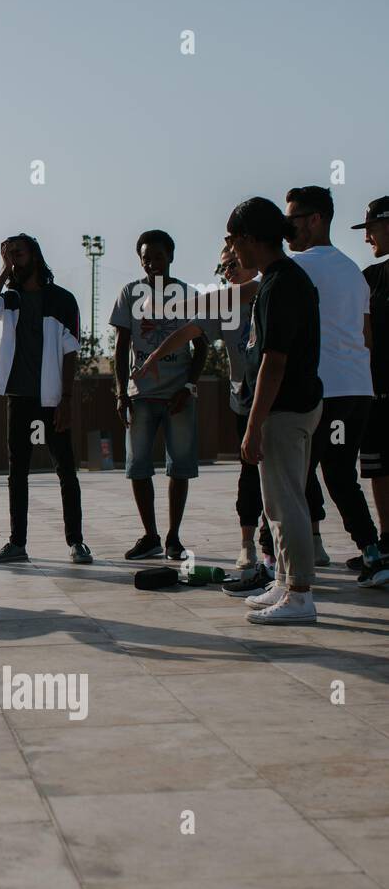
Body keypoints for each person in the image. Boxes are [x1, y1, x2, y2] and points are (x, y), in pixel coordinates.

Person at [132, 244, 273, 588]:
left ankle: (290, 553)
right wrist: (153, 358)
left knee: (286, 479)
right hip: (245, 400)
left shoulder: (269, 288)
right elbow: (190, 331)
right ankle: (249, 546)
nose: (228, 273)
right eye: (223, 268)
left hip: (280, 400)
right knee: (251, 473)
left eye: (234, 265)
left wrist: (176, 304)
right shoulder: (227, 302)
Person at [228, 197, 324, 624]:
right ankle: (285, 581)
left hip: (284, 410)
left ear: (251, 239)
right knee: (279, 502)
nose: (233, 251)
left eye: (235, 241)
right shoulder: (276, 279)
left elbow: (275, 361)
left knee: (286, 503)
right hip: (286, 408)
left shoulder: (283, 283)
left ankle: (300, 594)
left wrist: (253, 426)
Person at [284, 186, 384, 580]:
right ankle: (372, 553)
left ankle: (280, 562)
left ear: (315, 220)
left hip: (328, 395)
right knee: (335, 473)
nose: (286, 227)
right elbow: (367, 337)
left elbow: (252, 295)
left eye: (292, 219)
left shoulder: (299, 267)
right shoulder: (352, 272)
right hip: (356, 391)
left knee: (299, 475)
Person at [0, 234, 90, 564]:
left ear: (35, 256)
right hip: (19, 396)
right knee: (18, 471)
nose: (13, 259)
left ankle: (77, 542)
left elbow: (71, 352)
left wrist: (66, 399)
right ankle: (17, 543)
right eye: (8, 254)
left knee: (65, 470)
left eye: (18, 253)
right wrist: (2, 272)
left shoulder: (62, 300)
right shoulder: (9, 298)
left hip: (51, 398)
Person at [111, 230, 209, 562]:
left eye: (158, 256)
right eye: (145, 258)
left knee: (179, 467)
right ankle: (150, 536)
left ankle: (173, 538)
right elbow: (121, 346)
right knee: (138, 466)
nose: (152, 263)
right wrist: (121, 392)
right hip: (141, 396)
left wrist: (189, 386)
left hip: (177, 395)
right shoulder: (130, 293)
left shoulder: (187, 295)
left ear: (170, 257)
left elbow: (202, 347)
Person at [354, 197, 389, 586]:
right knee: (379, 468)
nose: (366, 238)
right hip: (375, 392)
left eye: (371, 229)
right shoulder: (368, 277)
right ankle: (386, 540)